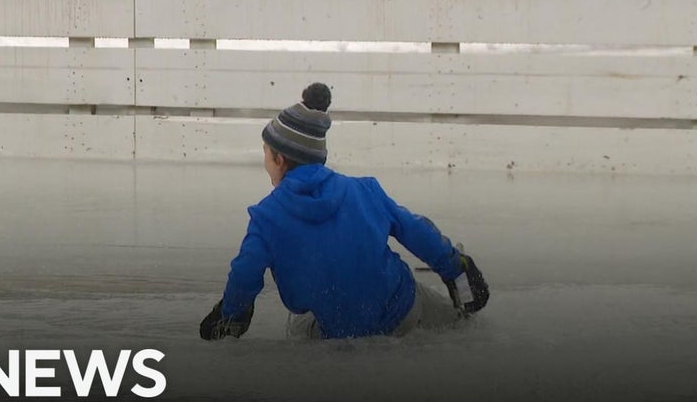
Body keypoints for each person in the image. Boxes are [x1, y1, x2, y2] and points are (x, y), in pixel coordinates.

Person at [199, 83, 489, 341]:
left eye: (266, 152)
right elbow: (415, 230)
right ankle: (463, 321)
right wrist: (455, 267)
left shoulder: (266, 218)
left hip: (336, 331)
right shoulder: (364, 190)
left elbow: (245, 274)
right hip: (402, 311)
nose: (264, 161)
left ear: (280, 157)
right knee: (460, 327)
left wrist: (232, 315)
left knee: (300, 325)